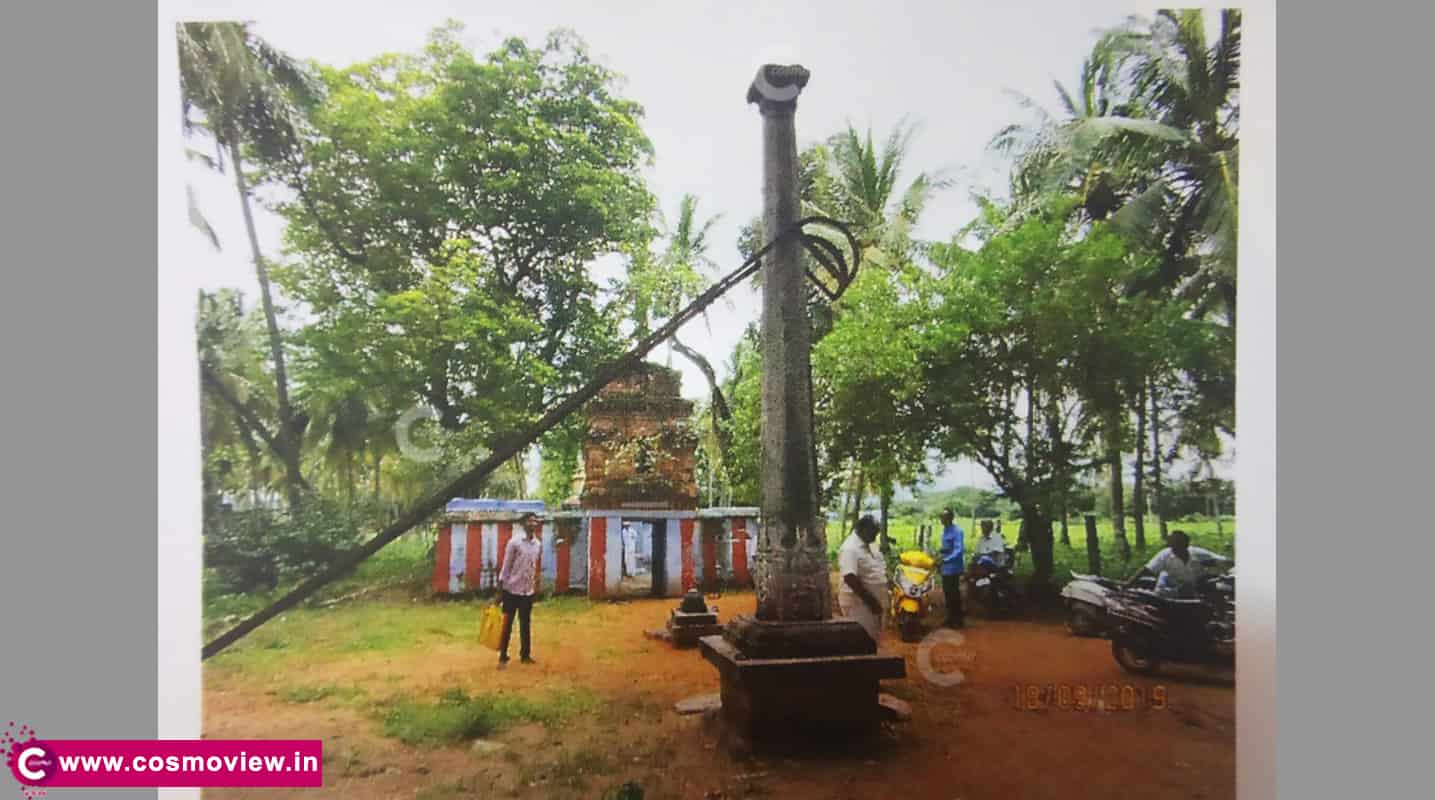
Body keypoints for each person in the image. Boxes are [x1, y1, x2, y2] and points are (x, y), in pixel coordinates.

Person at [496, 512, 543, 667]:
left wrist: (536, 586)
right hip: (511, 589)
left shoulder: (537, 545)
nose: (533, 523)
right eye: (529, 521)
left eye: (535, 521)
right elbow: (506, 566)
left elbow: (534, 567)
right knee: (507, 624)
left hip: (527, 591)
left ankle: (525, 655)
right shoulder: (514, 543)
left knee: (525, 624)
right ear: (523, 524)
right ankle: (503, 655)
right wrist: (501, 589)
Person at [838, 515, 888, 642]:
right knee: (861, 640)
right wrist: (870, 601)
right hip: (859, 604)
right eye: (873, 532)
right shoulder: (850, 548)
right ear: (862, 529)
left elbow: (877, 568)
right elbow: (850, 577)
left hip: (872, 604)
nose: (875, 536)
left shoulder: (869, 544)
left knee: (872, 638)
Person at [937, 509, 965, 628]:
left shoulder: (957, 531)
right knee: (947, 593)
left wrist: (946, 559)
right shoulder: (945, 530)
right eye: (941, 517)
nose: (942, 520)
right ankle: (950, 617)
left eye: (944, 517)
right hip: (945, 567)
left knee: (954, 593)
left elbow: (959, 550)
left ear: (950, 518)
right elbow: (947, 547)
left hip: (953, 567)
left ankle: (958, 620)